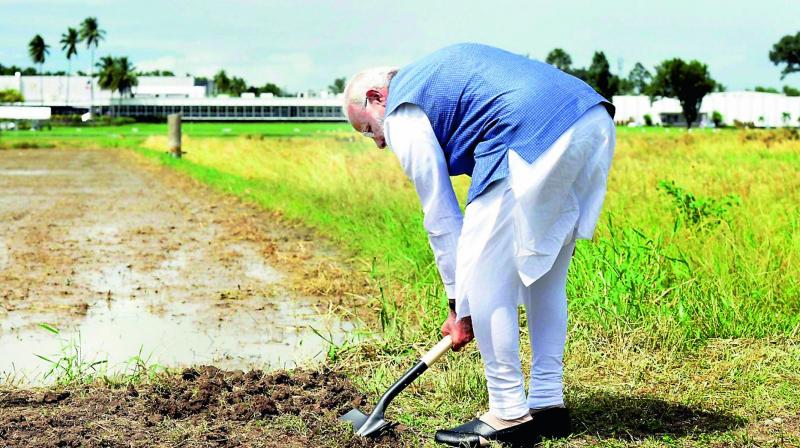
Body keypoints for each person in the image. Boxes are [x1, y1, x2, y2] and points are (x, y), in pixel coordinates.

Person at [343, 43, 616, 448]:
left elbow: (440, 214)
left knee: (484, 278)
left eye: (368, 129)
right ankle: (547, 403)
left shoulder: (402, 107)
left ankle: (508, 412)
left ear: (376, 97)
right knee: (544, 276)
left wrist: (459, 304)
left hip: (526, 130)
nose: (379, 144)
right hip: (591, 118)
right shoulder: (436, 80)